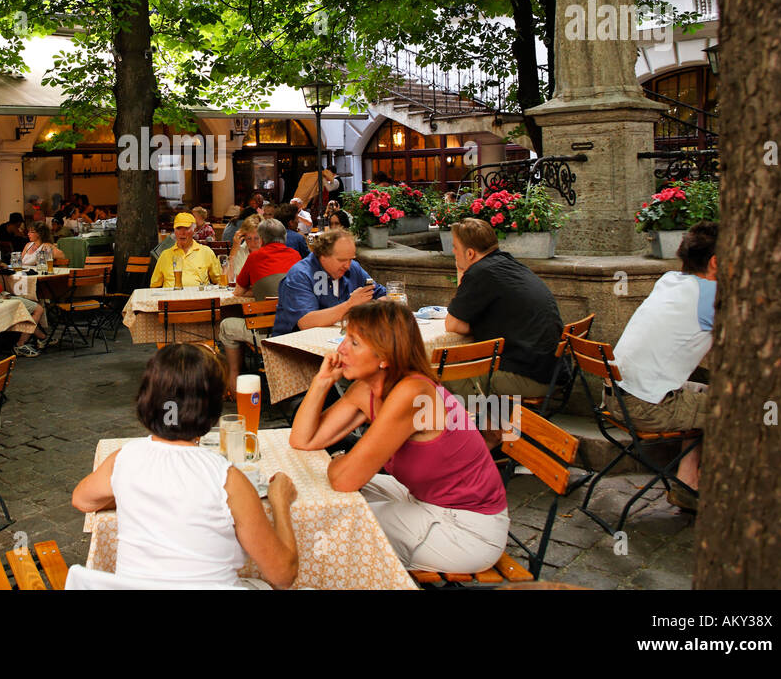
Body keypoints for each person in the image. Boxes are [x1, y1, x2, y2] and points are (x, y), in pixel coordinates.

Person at [289, 300, 509, 573]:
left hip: (466, 529)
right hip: (423, 499)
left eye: (354, 342)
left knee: (334, 521)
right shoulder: (368, 388)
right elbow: (302, 440)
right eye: (344, 337)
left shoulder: (412, 393)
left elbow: (344, 479)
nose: (341, 349)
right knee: (316, 496)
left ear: (385, 356)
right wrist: (321, 382)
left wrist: (340, 461)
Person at [71, 344, 299, 589]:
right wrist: (280, 503)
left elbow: (83, 501)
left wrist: (139, 493)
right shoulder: (227, 479)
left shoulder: (122, 460)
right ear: (211, 409)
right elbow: (282, 575)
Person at [606, 222, 717, 511]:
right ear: (717, 262)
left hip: (615, 397)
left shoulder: (669, 280)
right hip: (647, 407)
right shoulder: (714, 297)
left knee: (702, 396)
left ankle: (687, 482)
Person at [443, 218, 564, 404]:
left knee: (447, 374)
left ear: (469, 253)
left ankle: (481, 428)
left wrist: (463, 273)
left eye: (455, 247)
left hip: (531, 377)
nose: (453, 252)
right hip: (553, 370)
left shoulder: (480, 273)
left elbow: (453, 324)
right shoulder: (507, 262)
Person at [219, 217, 300, 384]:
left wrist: (256, 289)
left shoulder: (255, 258)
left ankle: (234, 378)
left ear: (262, 239)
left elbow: (238, 291)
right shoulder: (295, 255)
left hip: (266, 333)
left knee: (226, 326)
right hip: (294, 330)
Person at [273, 228, 385, 336]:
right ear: (323, 256)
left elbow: (382, 294)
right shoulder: (301, 275)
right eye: (341, 260)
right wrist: (350, 305)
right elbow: (306, 322)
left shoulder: (353, 268)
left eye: (351, 259)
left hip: (339, 339)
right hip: (294, 347)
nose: (347, 265)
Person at [150, 212, 223, 288]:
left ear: (194, 230)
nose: (182, 233)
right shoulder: (165, 255)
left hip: (198, 298)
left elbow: (220, 281)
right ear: (174, 231)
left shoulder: (206, 252)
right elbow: (154, 286)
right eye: (178, 228)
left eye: (186, 228)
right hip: (171, 298)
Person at [226, 214, 262, 280]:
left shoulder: (270, 251)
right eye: (249, 238)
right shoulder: (240, 250)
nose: (252, 242)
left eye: (256, 238)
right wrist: (234, 248)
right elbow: (228, 279)